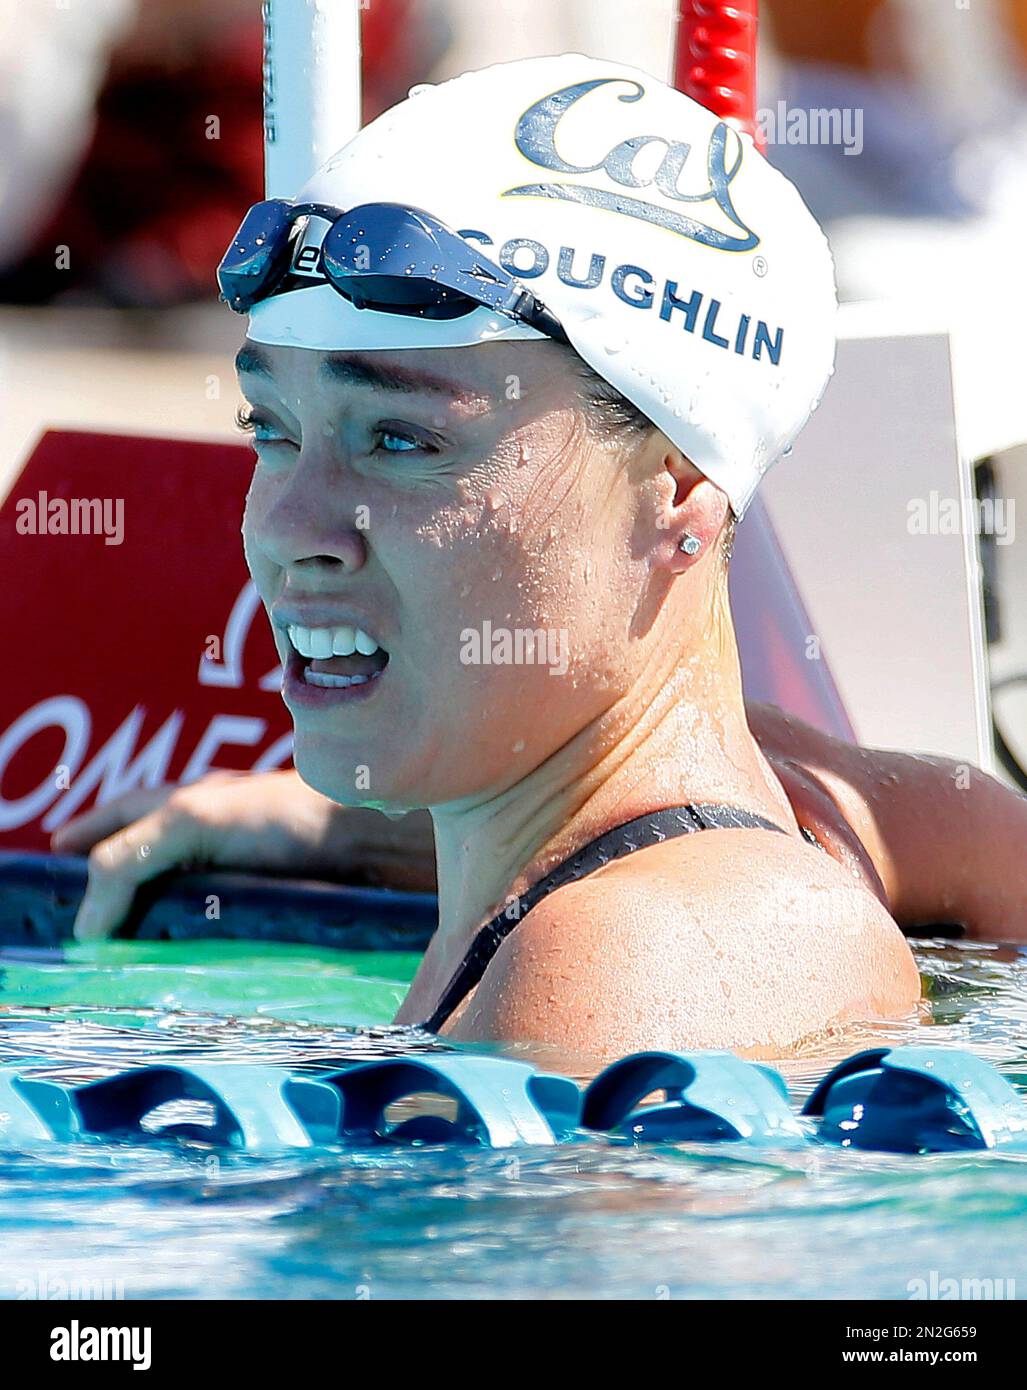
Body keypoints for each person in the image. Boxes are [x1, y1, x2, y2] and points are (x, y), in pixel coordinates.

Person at [54, 55, 1026, 1058]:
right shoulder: (801, 820)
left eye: (401, 440)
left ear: (680, 487)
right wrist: (348, 827)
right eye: (274, 427)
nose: (288, 530)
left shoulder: (632, 962)